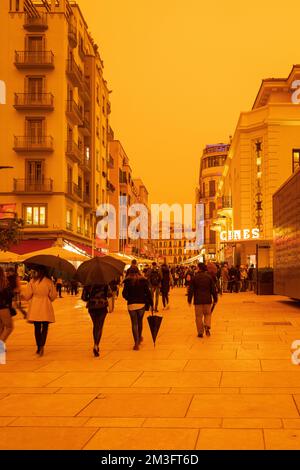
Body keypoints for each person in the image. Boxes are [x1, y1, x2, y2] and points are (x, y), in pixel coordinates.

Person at [23, 266, 57, 356]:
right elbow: (53, 296)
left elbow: (27, 296)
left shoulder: (32, 281)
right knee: (45, 327)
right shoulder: (49, 281)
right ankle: (42, 345)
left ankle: (38, 347)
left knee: (37, 328)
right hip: (45, 305)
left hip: (35, 306)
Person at [122, 267, 153, 350]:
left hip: (131, 304)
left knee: (134, 324)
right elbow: (148, 292)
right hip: (141, 304)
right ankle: (139, 338)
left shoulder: (127, 281)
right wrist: (151, 303)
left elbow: (124, 294)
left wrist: (129, 298)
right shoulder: (143, 281)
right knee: (140, 322)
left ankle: (136, 343)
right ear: (138, 272)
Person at [188, 262, 218, 338]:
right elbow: (213, 289)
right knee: (208, 314)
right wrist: (215, 298)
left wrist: (189, 300)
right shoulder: (209, 277)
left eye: (197, 267)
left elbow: (191, 290)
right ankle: (207, 325)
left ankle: (200, 332)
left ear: (199, 268)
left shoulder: (195, 278)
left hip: (198, 301)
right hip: (207, 300)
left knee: (198, 317)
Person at [82, 284, 110, 357]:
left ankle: (96, 344)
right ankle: (96, 344)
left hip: (92, 306)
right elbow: (109, 294)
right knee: (99, 326)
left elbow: (84, 297)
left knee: (95, 325)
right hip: (102, 306)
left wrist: (91, 297)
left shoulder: (88, 284)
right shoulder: (104, 284)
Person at [0, 266, 14, 352]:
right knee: (9, 327)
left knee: (1, 327)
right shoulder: (3, 283)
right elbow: (9, 295)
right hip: (3, 307)